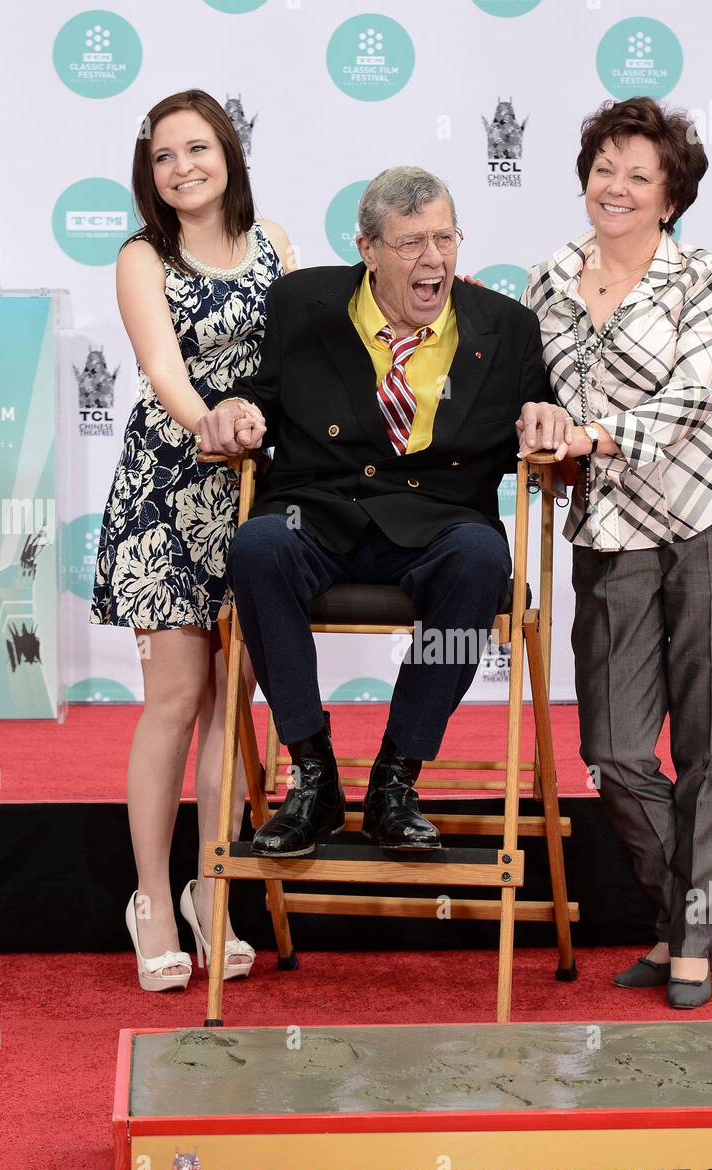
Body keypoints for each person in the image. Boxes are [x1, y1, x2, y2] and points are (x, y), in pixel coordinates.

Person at [197, 166, 549, 857]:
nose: (434, 259)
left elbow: (539, 415)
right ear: (368, 249)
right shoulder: (303, 303)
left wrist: (549, 425)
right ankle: (313, 773)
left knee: (482, 558)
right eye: (411, 242)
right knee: (258, 546)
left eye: (445, 239)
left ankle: (396, 779)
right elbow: (261, 394)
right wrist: (240, 411)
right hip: (319, 510)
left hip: (440, 519)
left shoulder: (506, 327)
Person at [518, 97, 712, 1009]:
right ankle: (685, 912)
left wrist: (583, 434)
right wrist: (543, 428)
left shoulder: (703, 274)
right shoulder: (547, 278)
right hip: (610, 533)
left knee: (708, 745)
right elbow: (532, 393)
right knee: (616, 751)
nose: (614, 188)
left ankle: (687, 939)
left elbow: (691, 400)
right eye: (603, 169)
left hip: (710, 522)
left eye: (638, 174)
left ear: (670, 196)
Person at [90, 89, 295, 991]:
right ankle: (146, 898)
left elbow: (304, 354)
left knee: (233, 703)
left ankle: (209, 894)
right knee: (175, 697)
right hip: (170, 492)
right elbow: (162, 369)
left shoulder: (278, 244)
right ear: (151, 172)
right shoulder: (144, 255)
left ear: (229, 153)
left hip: (255, 496)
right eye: (165, 155)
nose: (183, 168)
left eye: (198, 149)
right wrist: (212, 420)